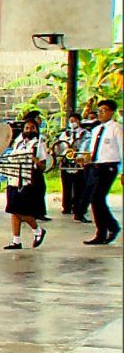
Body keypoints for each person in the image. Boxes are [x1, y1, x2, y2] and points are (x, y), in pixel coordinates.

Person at [2, 118, 49, 250]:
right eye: (27, 128)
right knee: (13, 211)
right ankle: (16, 240)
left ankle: (38, 230)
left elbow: (43, 166)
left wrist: (34, 160)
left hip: (28, 181)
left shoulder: (39, 144)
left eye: (32, 128)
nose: (29, 130)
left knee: (23, 211)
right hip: (14, 179)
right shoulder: (18, 142)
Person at [81, 99, 123, 245]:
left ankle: (109, 228)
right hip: (96, 167)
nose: (100, 113)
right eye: (99, 110)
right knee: (95, 200)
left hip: (108, 167)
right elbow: (93, 150)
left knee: (97, 198)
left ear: (111, 112)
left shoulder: (116, 128)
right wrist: (86, 159)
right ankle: (104, 230)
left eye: (104, 110)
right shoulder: (97, 129)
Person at [55, 114, 89, 219]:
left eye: (74, 120)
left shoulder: (85, 134)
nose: (72, 122)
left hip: (78, 161)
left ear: (79, 121)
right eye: (70, 120)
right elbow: (59, 146)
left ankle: (77, 206)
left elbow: (87, 146)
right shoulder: (65, 134)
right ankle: (66, 206)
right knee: (66, 185)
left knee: (79, 186)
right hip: (66, 161)